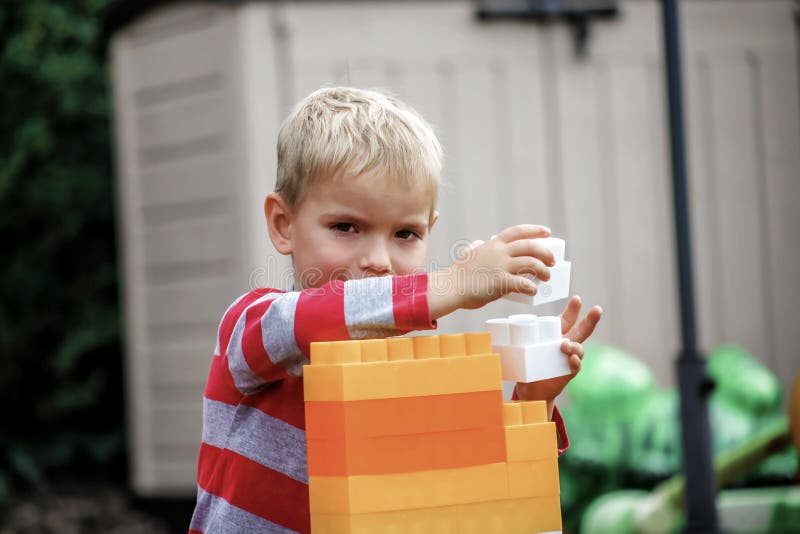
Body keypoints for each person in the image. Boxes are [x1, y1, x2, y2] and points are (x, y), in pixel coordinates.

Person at [189, 87, 602, 534]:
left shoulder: (407, 383)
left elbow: (480, 505)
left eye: (406, 233)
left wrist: (531, 403)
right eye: (346, 227)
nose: (379, 261)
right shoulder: (251, 326)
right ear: (283, 224)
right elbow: (310, 320)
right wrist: (453, 283)